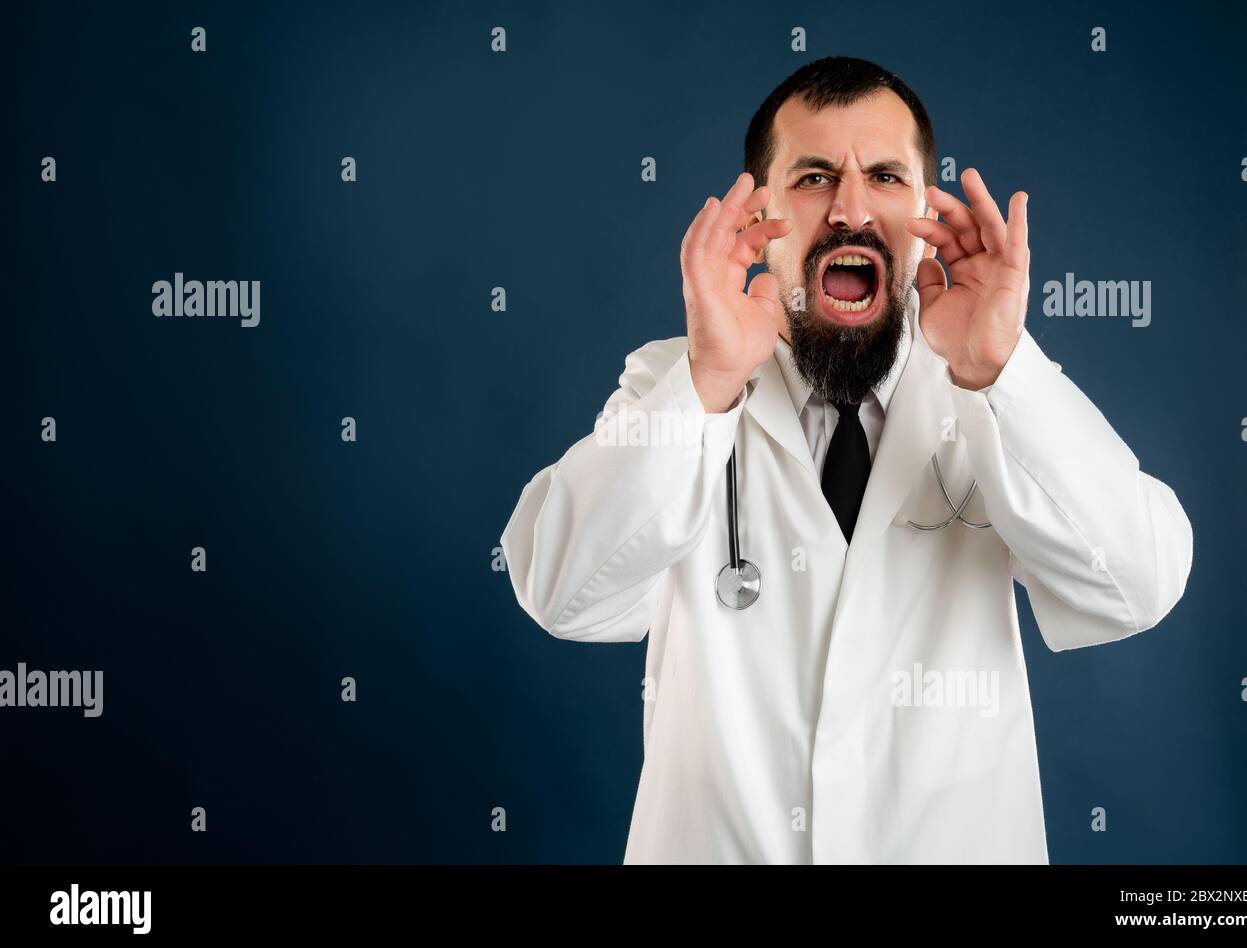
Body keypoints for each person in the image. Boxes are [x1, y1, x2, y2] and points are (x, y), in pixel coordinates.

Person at [499, 56, 1193, 864]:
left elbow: (1138, 585)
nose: (850, 210)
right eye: (815, 176)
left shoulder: (988, 385)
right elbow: (560, 590)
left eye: (888, 178)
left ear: (925, 213)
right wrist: (711, 381)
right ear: (761, 219)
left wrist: (1002, 373)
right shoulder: (676, 382)